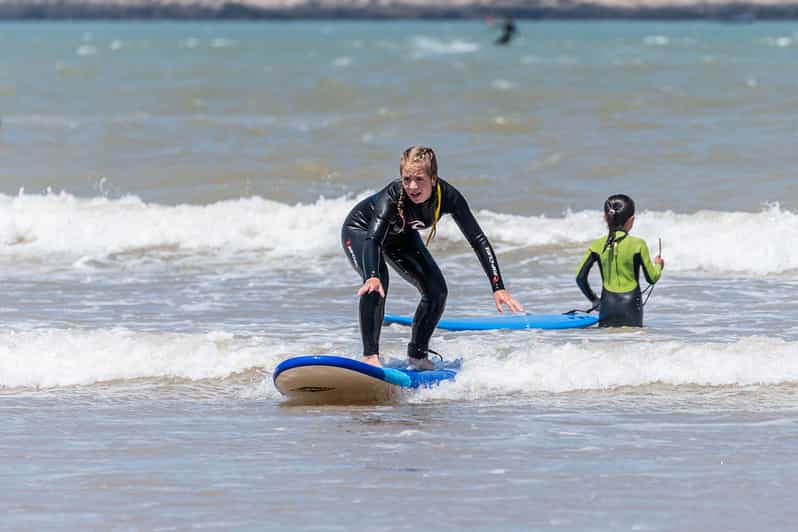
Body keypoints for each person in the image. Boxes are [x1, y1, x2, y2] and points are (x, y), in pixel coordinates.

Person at [341, 146, 523, 370]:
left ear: (433, 179)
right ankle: (370, 356)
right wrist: (371, 275)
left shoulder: (448, 197)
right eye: (406, 179)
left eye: (419, 179)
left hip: (401, 236)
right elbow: (373, 240)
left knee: (437, 291)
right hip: (361, 232)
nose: (412, 187)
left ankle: (417, 355)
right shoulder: (392, 195)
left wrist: (498, 286)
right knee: (378, 283)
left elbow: (478, 240)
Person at [575, 194, 664, 327]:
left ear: (605, 217)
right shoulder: (638, 244)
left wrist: (594, 300)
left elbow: (580, 277)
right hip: (631, 307)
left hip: (607, 305)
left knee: (607, 344)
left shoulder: (597, 245)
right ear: (632, 220)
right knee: (631, 342)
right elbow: (652, 278)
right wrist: (658, 265)